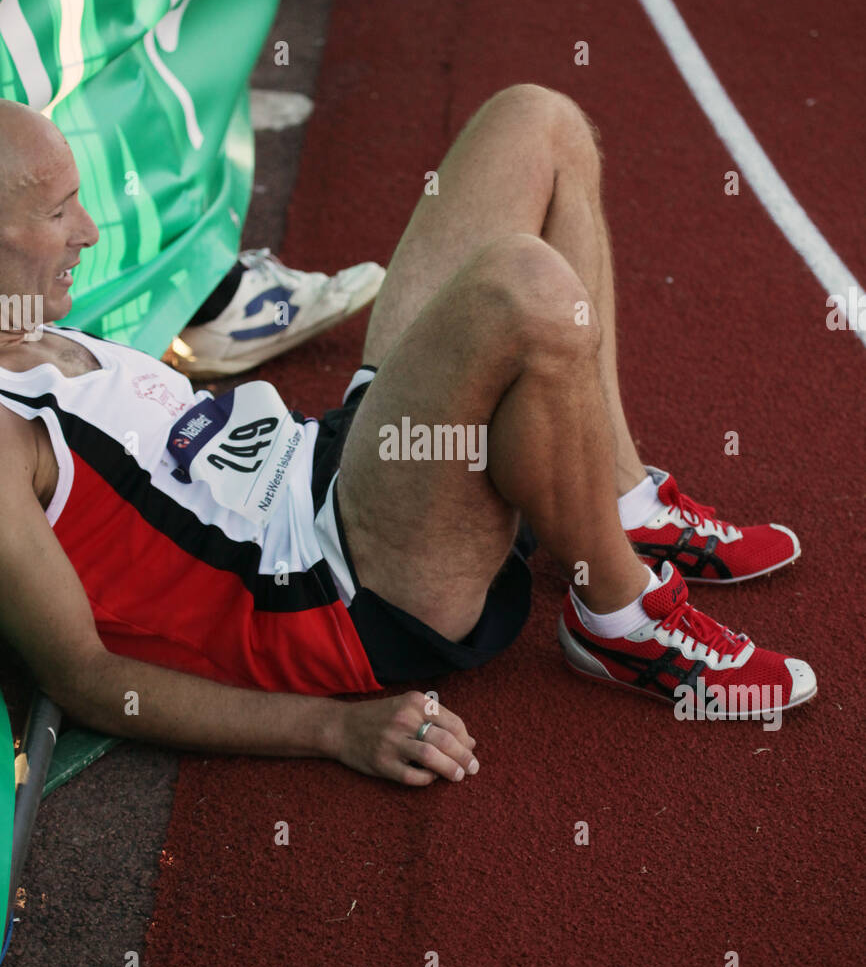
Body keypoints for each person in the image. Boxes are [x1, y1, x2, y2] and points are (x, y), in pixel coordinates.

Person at [0, 87, 816, 788]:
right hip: (335, 582)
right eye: (56, 211)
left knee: (535, 123)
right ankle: (620, 614)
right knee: (522, 288)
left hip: (335, 461)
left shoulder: (29, 320)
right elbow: (86, 678)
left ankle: (612, 494)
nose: (91, 232)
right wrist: (332, 731)